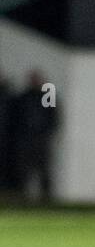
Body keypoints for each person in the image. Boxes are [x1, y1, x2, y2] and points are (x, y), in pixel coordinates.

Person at [14, 70, 58, 201]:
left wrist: (46, 133)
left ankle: (46, 199)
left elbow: (53, 118)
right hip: (25, 139)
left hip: (41, 140)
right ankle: (22, 198)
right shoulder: (23, 98)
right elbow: (16, 118)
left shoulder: (47, 97)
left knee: (44, 171)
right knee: (23, 171)